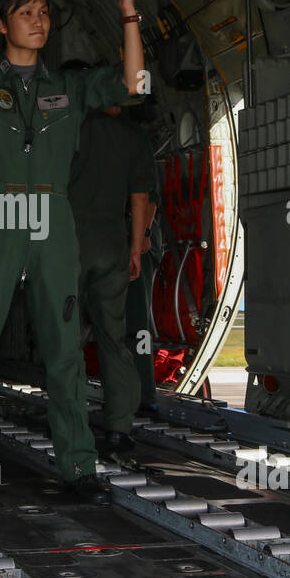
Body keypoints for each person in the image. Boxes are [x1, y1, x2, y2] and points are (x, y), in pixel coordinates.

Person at [0, 0, 146, 506]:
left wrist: (127, 13)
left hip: (52, 217)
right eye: (26, 13)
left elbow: (131, 83)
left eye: (45, 12)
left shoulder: (66, 88)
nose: (39, 21)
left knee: (64, 350)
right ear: (1, 24)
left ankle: (79, 467)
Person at [69, 102, 155, 452]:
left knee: (66, 337)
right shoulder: (133, 138)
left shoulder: (69, 127)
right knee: (113, 338)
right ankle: (119, 426)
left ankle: (71, 423)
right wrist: (135, 249)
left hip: (68, 245)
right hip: (112, 247)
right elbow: (140, 201)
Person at [126, 108, 163, 414]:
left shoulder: (136, 143)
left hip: (137, 240)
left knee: (138, 321)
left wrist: (143, 237)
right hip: (126, 238)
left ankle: (145, 394)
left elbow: (149, 199)